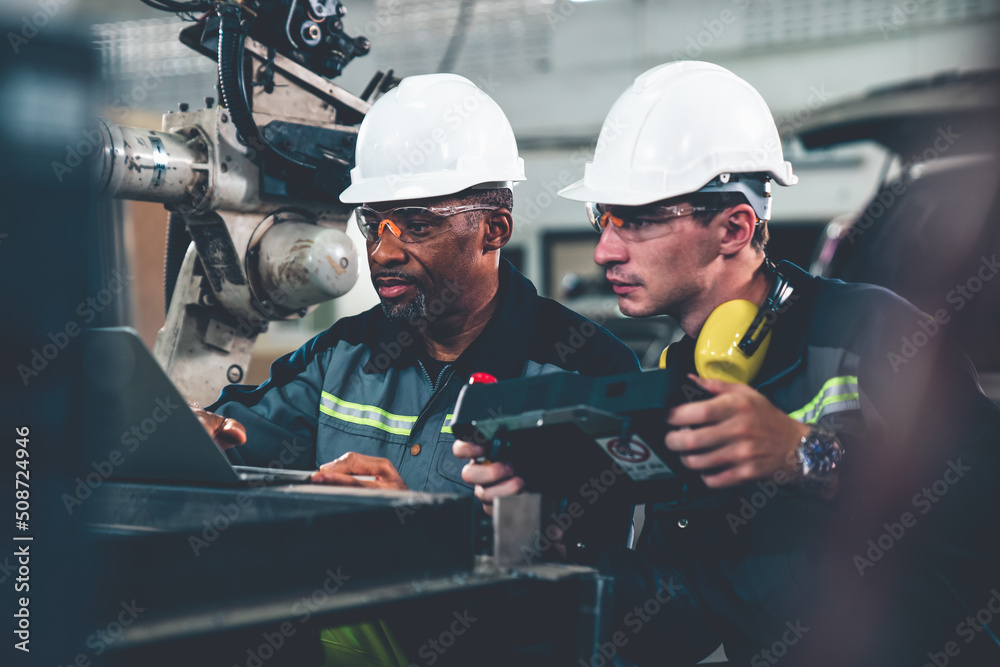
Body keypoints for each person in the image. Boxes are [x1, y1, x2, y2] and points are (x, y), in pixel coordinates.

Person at [456, 61, 1000, 665]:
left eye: (636, 221)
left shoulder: (872, 332)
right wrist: (544, 544)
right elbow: (678, 623)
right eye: (602, 219)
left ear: (735, 228)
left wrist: (804, 454)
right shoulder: (670, 386)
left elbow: (981, 513)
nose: (605, 249)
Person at [193, 72, 639, 496]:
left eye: (418, 225)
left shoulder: (588, 372)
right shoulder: (339, 356)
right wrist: (194, 432)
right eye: (373, 224)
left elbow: (592, 562)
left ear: (495, 230)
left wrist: (419, 524)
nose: (381, 252)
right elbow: (237, 436)